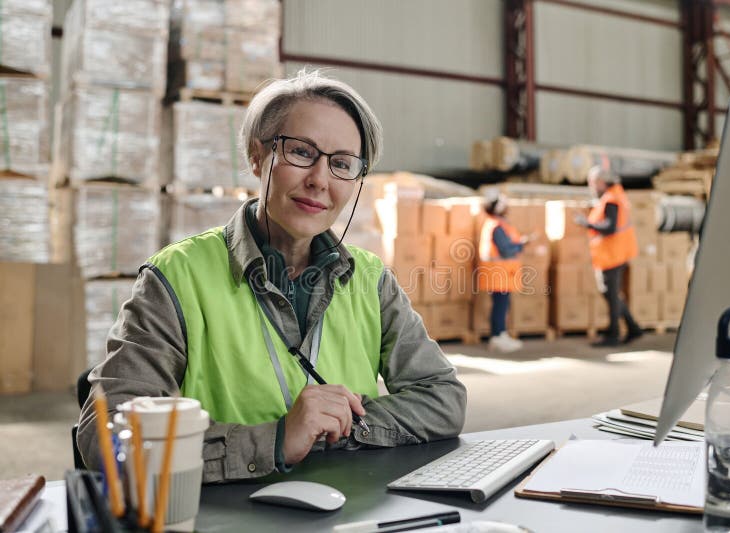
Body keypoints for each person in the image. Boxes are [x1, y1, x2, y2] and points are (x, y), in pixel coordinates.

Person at [76, 70, 467, 483]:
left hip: (349, 514)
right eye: (301, 152)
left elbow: (442, 399)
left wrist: (341, 427)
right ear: (257, 155)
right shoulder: (177, 277)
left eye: (341, 164)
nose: (319, 180)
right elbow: (106, 436)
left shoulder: (371, 280)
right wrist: (275, 441)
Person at [575, 166, 644, 347]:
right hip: (612, 253)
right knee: (610, 293)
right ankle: (633, 327)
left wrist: (587, 223)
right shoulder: (612, 196)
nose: (591, 186)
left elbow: (609, 227)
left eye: (592, 183)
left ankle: (613, 334)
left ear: (601, 182)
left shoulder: (611, 199)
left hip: (613, 254)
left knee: (611, 295)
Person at [476, 193, 536, 353]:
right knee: (500, 306)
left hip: (502, 273)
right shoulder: (496, 226)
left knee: (503, 305)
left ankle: (501, 334)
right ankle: (497, 337)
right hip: (498, 273)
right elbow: (506, 249)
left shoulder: (498, 224)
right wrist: (522, 245)